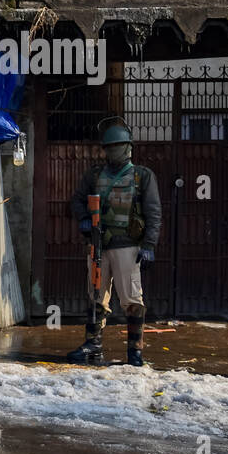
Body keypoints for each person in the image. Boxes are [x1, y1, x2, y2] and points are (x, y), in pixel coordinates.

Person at [66, 122, 161, 366]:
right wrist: (85, 218)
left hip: (128, 246)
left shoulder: (142, 176)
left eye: (118, 146)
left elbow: (153, 212)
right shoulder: (95, 175)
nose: (113, 152)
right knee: (96, 295)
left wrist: (149, 245)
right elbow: (76, 201)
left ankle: (135, 351)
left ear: (128, 148)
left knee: (131, 299)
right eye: (110, 147)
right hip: (98, 245)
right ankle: (93, 344)